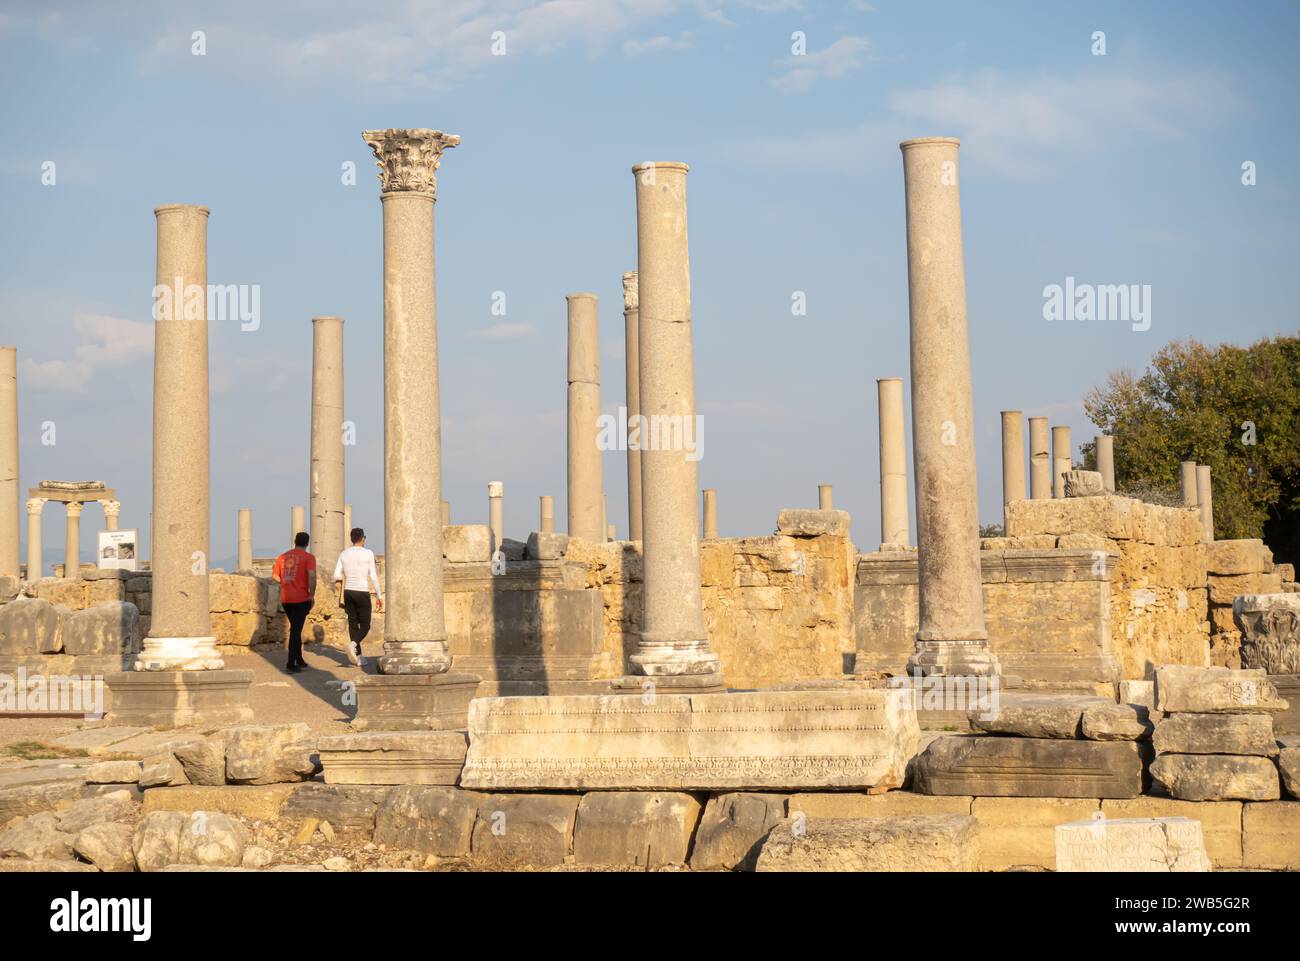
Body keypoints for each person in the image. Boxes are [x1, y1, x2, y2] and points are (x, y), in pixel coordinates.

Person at [333, 527, 383, 667]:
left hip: (348, 591)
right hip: (361, 591)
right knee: (366, 625)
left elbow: (336, 575)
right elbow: (373, 576)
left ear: (351, 539)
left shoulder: (344, 554)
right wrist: (379, 595)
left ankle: (358, 656)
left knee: (353, 623)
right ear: (363, 538)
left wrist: (345, 577)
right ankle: (353, 645)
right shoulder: (368, 553)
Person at [272, 532, 316, 674]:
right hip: (301, 598)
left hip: (286, 599)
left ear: (295, 541)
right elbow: (312, 576)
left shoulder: (282, 557)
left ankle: (299, 659)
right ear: (307, 543)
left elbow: (275, 576)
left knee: (296, 628)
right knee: (296, 631)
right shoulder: (309, 557)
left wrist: (285, 583)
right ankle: (291, 663)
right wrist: (311, 595)